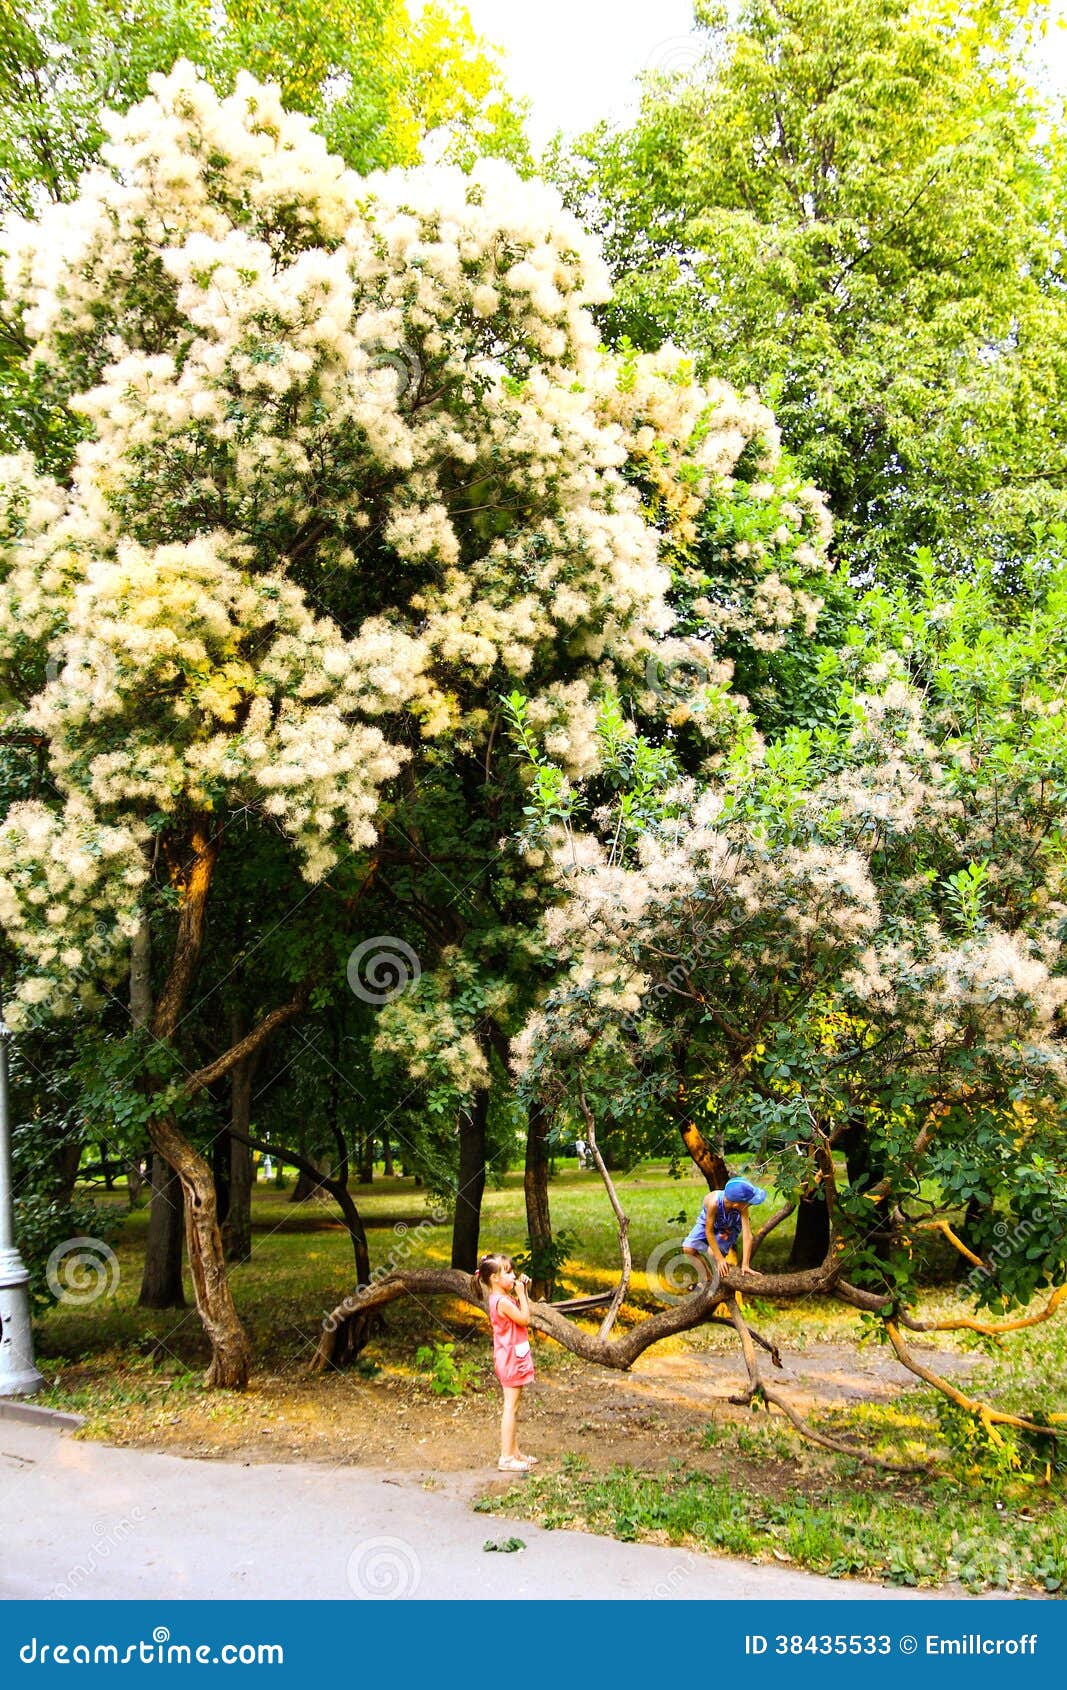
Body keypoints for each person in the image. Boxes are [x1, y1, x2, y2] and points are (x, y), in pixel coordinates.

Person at [472, 1253, 539, 1472]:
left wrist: (522, 1292)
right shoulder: (501, 1302)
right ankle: (506, 1458)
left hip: (511, 1357)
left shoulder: (502, 1299)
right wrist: (522, 1294)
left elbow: (518, 1314)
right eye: (507, 1272)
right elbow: (525, 1319)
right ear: (494, 1279)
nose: (513, 1276)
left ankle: (514, 1451)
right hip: (510, 1359)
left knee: (515, 1406)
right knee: (510, 1407)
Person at [682, 1176, 767, 1282]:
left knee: (712, 1253)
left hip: (730, 1225)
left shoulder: (742, 1207)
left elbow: (747, 1235)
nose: (749, 1205)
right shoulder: (714, 1203)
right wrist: (720, 1259)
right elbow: (709, 1231)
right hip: (708, 1222)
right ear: (736, 1204)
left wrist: (745, 1264)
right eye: (749, 1203)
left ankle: (721, 1281)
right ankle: (707, 1279)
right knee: (688, 1249)